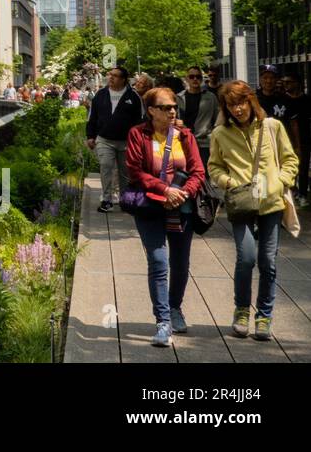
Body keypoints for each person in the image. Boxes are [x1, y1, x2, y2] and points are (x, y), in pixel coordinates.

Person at [208, 81, 300, 341]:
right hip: (241, 203)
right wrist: (229, 183)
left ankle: (264, 315)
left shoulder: (272, 126)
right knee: (246, 257)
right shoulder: (220, 134)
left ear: (251, 101)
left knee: (268, 261)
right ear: (226, 108)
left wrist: (281, 181)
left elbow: (290, 159)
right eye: (231, 104)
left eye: (242, 102)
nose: (238, 109)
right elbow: (214, 167)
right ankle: (241, 311)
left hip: (270, 202)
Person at [125, 87, 206, 347]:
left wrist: (184, 193)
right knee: (159, 261)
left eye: (174, 107)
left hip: (181, 208)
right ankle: (162, 321)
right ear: (151, 111)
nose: (172, 111)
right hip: (150, 207)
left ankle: (175, 308)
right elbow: (136, 171)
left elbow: (198, 172)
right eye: (165, 107)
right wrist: (164, 189)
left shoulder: (185, 136)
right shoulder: (138, 134)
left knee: (180, 263)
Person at [86, 66, 145, 214]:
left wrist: (138, 141)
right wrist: (90, 136)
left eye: (115, 76)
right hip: (104, 139)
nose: (111, 78)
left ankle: (125, 200)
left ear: (124, 79)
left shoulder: (134, 97)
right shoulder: (100, 94)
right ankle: (106, 200)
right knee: (106, 166)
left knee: (125, 172)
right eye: (110, 75)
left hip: (126, 142)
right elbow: (92, 117)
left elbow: (141, 120)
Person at [179, 66, 219, 169]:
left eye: (198, 76)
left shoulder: (211, 97)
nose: (195, 79)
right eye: (191, 77)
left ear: (202, 79)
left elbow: (217, 120)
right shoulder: (179, 98)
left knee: (204, 174)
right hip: (184, 142)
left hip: (204, 143)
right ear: (186, 79)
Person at [281, 74, 309, 201]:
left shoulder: (306, 99)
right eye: (284, 82)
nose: (286, 85)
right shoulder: (283, 100)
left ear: (297, 83)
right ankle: (292, 190)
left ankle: (303, 193)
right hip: (286, 137)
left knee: (303, 165)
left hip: (305, 137)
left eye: (289, 82)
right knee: (289, 165)